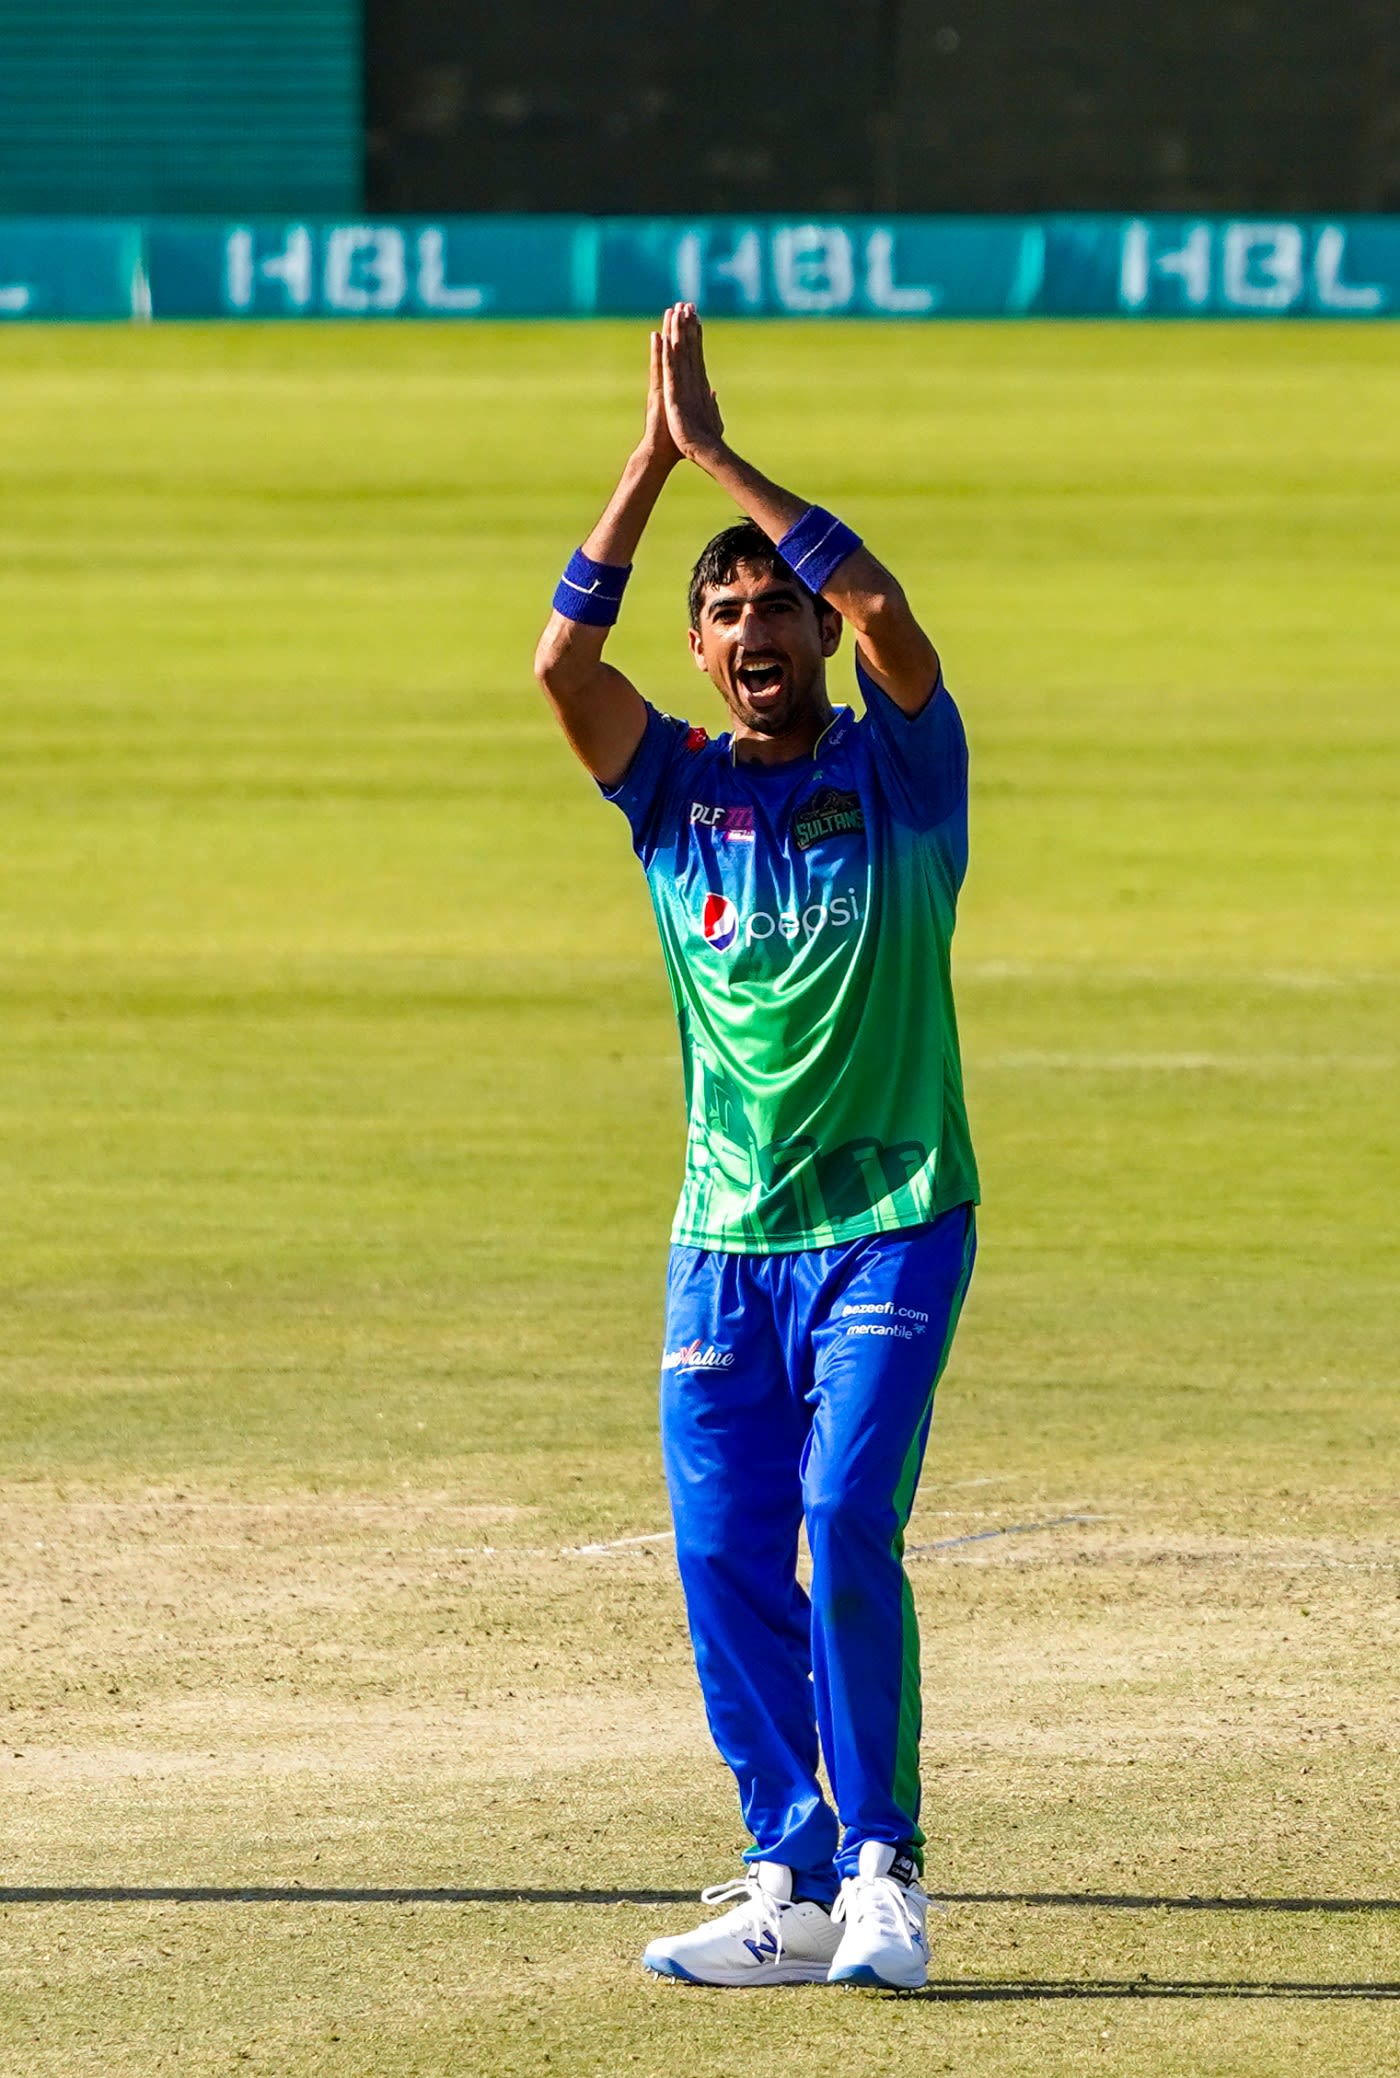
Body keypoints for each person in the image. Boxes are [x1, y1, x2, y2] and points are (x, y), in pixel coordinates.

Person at [533, 304, 979, 1991]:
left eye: (771, 605)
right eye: (724, 617)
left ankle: (883, 1869)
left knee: (844, 1510)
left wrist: (718, 448)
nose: (753, 631)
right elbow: (563, 674)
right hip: (724, 1231)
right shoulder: (672, 793)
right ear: (707, 651)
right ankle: (782, 1875)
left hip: (893, 1211)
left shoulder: (903, 767)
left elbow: (885, 606)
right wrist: (641, 474)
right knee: (726, 1550)